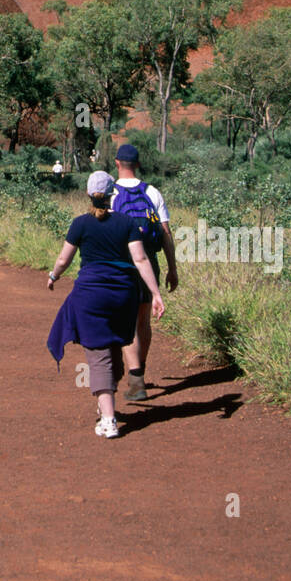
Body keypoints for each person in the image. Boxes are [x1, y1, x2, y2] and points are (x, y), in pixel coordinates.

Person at [47, 171, 165, 438]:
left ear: (88, 195)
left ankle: (109, 419)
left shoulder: (80, 224)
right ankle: (105, 405)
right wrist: (155, 294)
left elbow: (64, 260)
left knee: (98, 355)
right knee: (113, 348)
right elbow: (141, 260)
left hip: (91, 294)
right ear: (114, 194)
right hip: (124, 294)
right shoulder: (126, 223)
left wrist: (54, 276)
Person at [110, 144, 178, 402]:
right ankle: (140, 372)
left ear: (117, 163)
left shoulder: (112, 193)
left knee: (126, 323)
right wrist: (172, 268)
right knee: (143, 321)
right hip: (150, 263)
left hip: (123, 266)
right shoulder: (152, 192)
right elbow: (166, 234)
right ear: (137, 164)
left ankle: (135, 377)